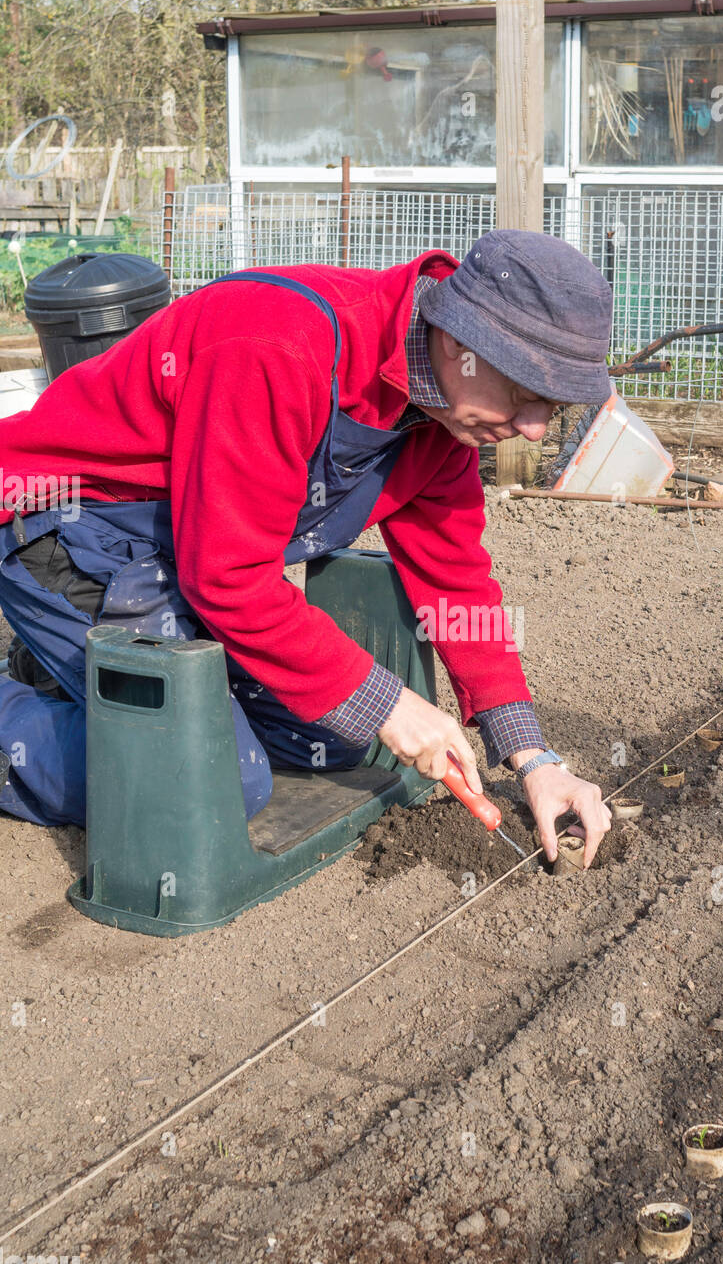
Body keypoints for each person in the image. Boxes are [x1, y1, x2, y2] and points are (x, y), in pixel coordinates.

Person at [0, 229, 612, 863]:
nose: (534, 431)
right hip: (73, 527)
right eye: (524, 394)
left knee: (331, 735)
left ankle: (57, 672)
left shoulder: (443, 427)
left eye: (552, 406)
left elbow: (458, 586)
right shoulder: (277, 345)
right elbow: (230, 579)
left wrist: (535, 757)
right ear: (458, 340)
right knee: (213, 782)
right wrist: (390, 703)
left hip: (184, 555)